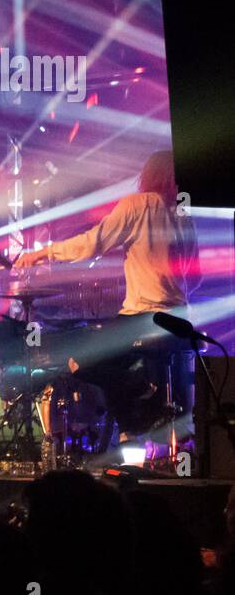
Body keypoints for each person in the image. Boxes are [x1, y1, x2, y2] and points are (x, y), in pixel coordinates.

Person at [13, 150, 200, 437]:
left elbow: (93, 243)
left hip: (145, 317)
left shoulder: (137, 206)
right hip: (179, 321)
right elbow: (196, 277)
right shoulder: (183, 214)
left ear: (148, 176)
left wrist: (44, 253)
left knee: (79, 360)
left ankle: (140, 411)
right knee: (110, 357)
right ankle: (140, 416)